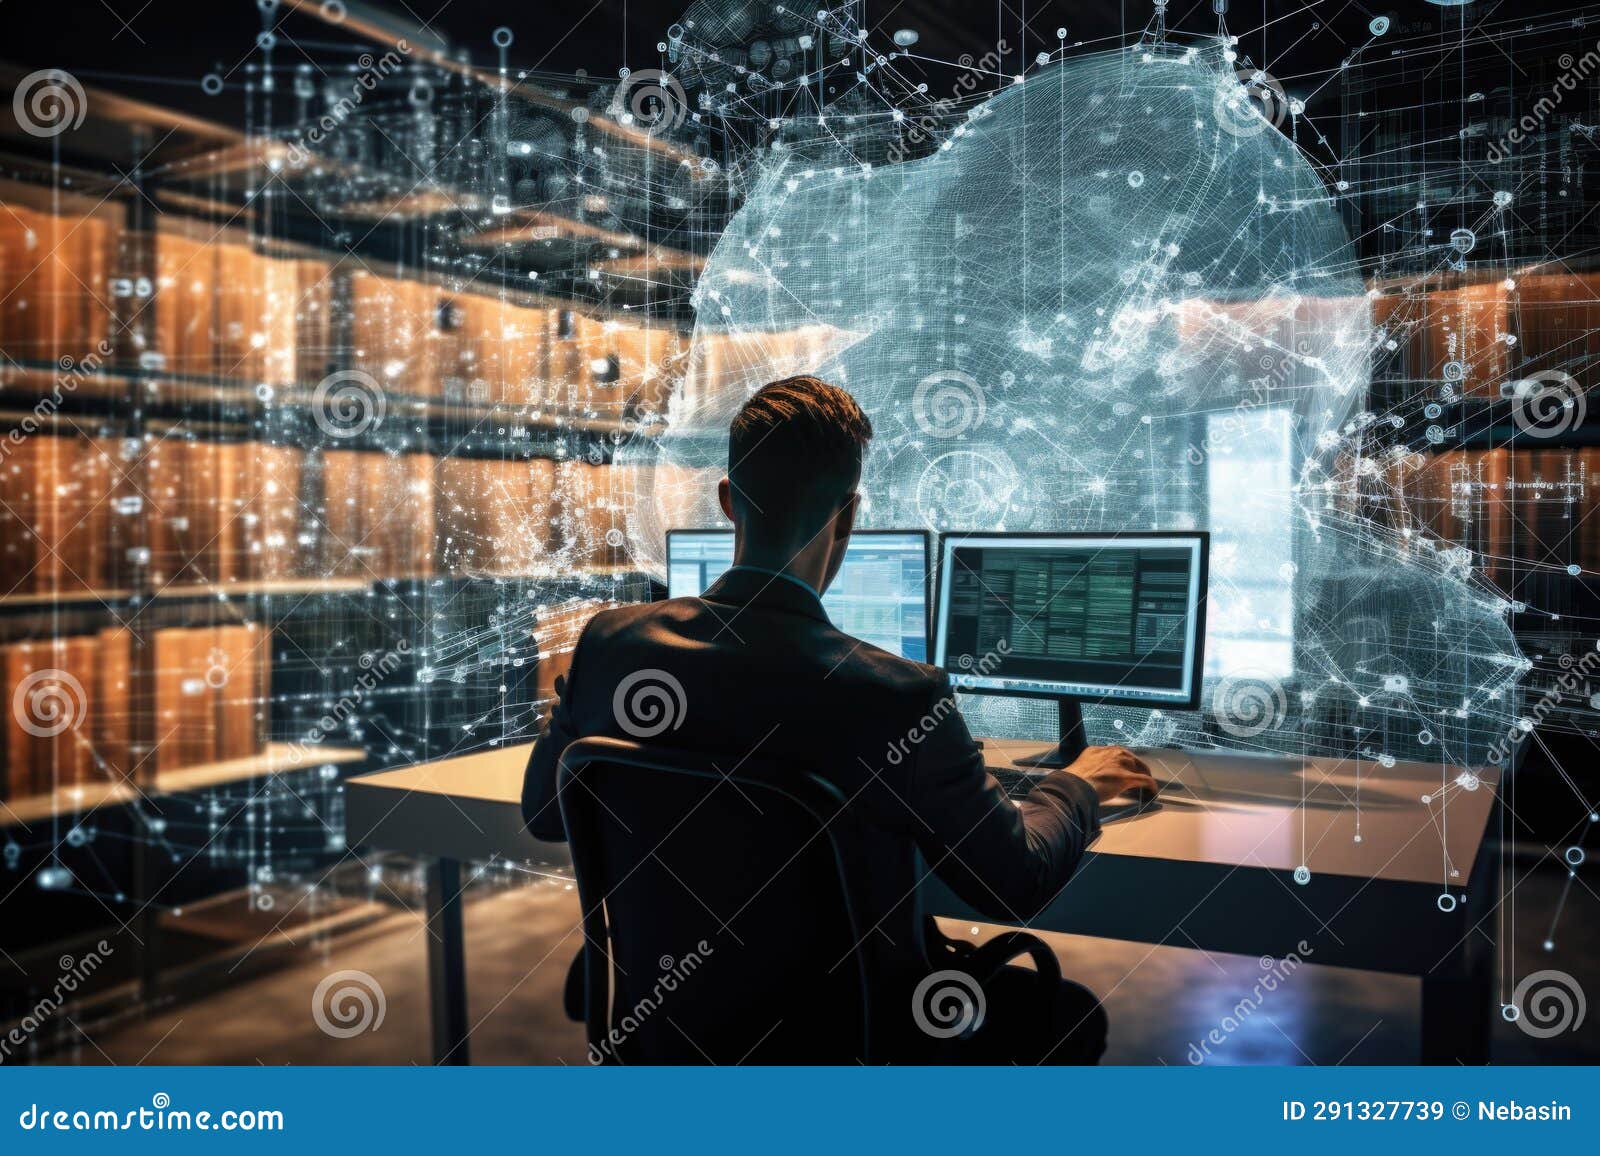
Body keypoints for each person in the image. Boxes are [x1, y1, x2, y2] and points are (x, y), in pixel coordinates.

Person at [523, 375, 1156, 1063]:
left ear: (728, 503)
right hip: (848, 1046)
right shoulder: (898, 697)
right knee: (1067, 1017)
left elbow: (544, 813)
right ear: (849, 517)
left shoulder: (610, 645)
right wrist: (1078, 786)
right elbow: (1015, 881)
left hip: (665, 1034)